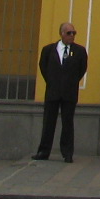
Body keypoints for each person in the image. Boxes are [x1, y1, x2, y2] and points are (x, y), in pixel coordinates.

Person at [34, 22, 88, 162]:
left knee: (68, 123)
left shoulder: (79, 51)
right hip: (53, 91)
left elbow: (82, 69)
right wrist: (52, 81)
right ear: (62, 34)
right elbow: (43, 66)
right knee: (48, 122)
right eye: (69, 33)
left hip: (69, 93)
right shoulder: (49, 50)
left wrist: (70, 82)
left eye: (74, 33)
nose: (72, 36)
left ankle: (67, 152)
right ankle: (43, 151)